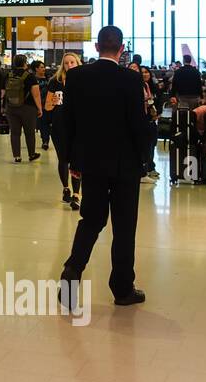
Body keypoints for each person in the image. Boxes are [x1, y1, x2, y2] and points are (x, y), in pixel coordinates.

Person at [58, 26, 149, 308]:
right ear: (121, 50)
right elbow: (138, 125)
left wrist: (71, 160)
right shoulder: (131, 80)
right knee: (124, 227)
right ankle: (122, 289)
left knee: (91, 220)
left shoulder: (76, 77)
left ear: (97, 47)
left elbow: (66, 122)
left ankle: (72, 273)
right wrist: (144, 159)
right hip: (125, 166)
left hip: (91, 163)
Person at [43, 53, 82, 210]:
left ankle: (77, 194)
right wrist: (52, 102)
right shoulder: (55, 82)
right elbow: (47, 107)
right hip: (59, 126)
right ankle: (66, 188)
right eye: (66, 63)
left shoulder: (84, 82)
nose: (70, 65)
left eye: (72, 62)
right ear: (62, 65)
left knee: (77, 160)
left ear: (77, 63)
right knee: (63, 159)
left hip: (79, 126)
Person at [3, 55, 43, 163]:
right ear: (25, 63)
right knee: (29, 132)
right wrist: (40, 108)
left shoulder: (8, 75)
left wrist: (3, 107)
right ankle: (31, 154)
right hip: (28, 108)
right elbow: (36, 94)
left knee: (15, 133)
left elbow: (3, 92)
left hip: (11, 107)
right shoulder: (30, 76)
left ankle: (17, 156)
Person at [139, 66, 161, 181]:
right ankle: (144, 170)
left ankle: (150, 167)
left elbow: (159, 101)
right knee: (145, 146)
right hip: (143, 121)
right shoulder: (138, 87)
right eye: (141, 72)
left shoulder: (153, 87)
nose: (144, 74)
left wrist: (158, 114)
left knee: (152, 144)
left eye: (146, 72)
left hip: (153, 120)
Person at [30, 60, 51, 151]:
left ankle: (45, 141)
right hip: (35, 105)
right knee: (38, 124)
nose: (44, 69)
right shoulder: (32, 79)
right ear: (36, 69)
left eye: (44, 67)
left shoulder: (49, 78)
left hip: (47, 105)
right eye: (41, 67)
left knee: (45, 124)